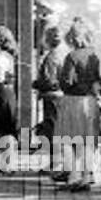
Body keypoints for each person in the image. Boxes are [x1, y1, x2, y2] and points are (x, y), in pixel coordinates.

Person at [56, 19, 101, 191]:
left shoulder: (72, 56)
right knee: (88, 140)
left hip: (73, 101)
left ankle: (74, 177)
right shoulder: (94, 56)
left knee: (69, 140)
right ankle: (88, 175)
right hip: (90, 102)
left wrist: (61, 81)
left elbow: (66, 81)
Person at [33, 23, 67, 177]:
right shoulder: (61, 54)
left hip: (52, 98)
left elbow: (49, 81)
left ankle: (55, 163)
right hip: (60, 97)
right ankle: (57, 162)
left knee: (52, 131)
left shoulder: (51, 57)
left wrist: (35, 83)